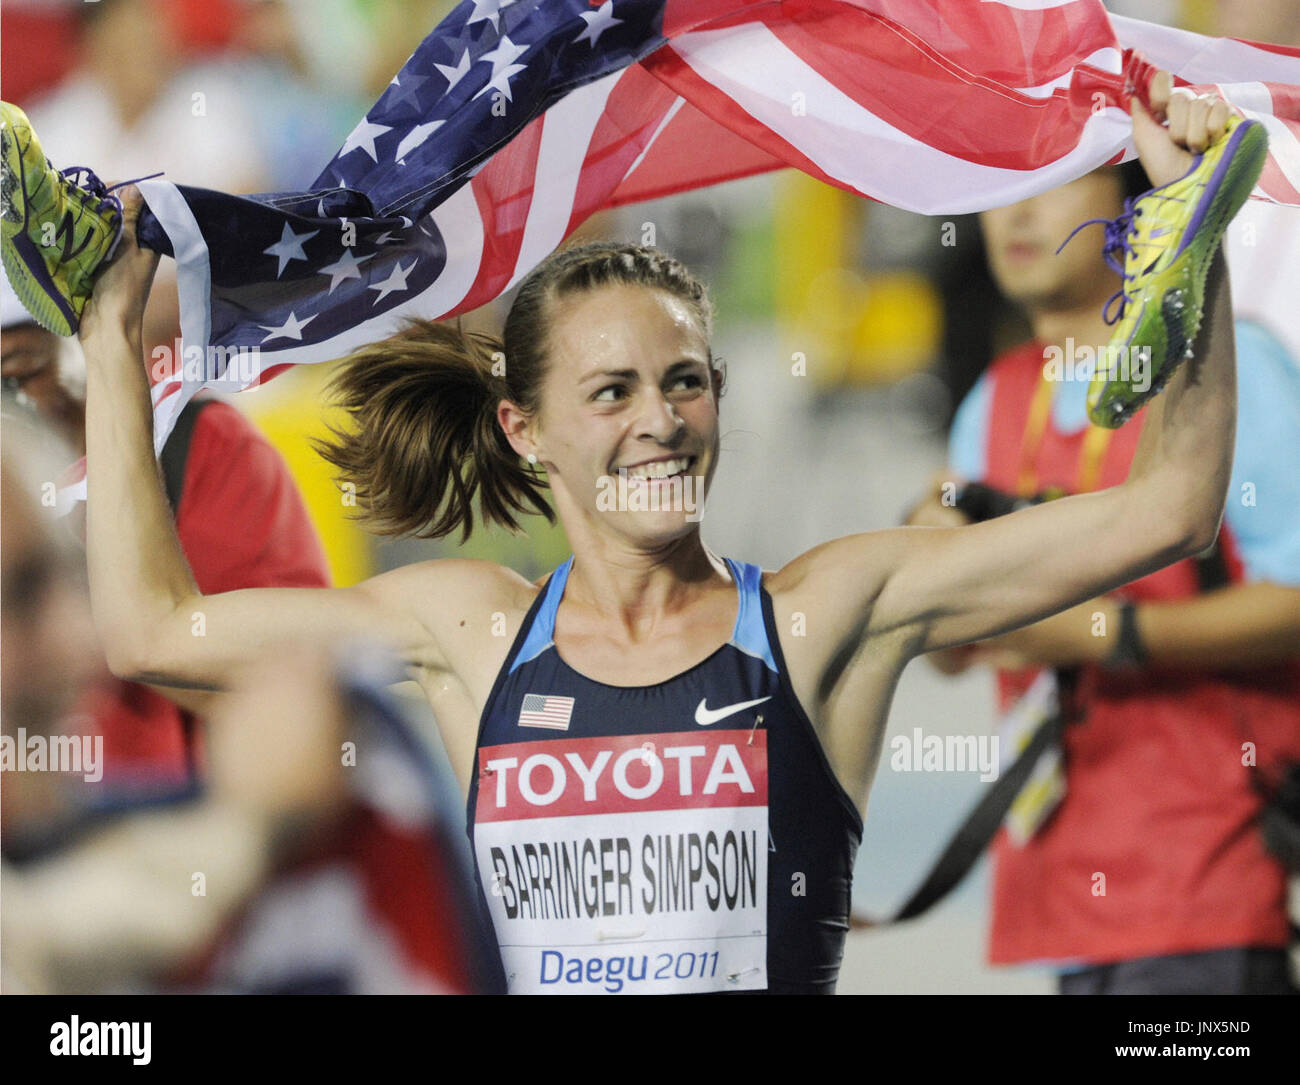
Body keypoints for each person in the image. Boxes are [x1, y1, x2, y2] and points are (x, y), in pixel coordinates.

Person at [11, 74, 1264, 993]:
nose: (660, 424)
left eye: (686, 383)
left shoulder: (825, 613)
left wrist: (1185, 240)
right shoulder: (471, 630)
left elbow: (1167, 507)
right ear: (523, 430)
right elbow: (149, 628)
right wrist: (112, 342)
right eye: (610, 393)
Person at [908, 161, 1300, 994]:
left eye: (1054, 176)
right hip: (1063, 895)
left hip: (1210, 882)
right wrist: (927, 571)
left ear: (1133, 204)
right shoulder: (994, 399)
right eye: (998, 186)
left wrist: (1107, 631)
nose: (1014, 211)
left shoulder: (1226, 371)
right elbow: (951, 653)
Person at [1, 267, 332, 796]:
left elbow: (290, 683)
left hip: (185, 820)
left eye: (16, 377)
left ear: (83, 351)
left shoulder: (197, 446)